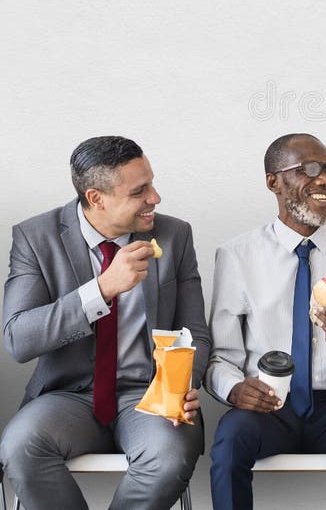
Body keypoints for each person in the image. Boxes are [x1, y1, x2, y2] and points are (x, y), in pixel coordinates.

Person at [0, 136, 209, 510]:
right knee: (20, 447)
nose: (155, 198)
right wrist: (101, 289)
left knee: (167, 457)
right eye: (139, 191)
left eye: (151, 183)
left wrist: (184, 383)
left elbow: (196, 332)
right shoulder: (36, 237)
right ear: (96, 198)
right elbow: (19, 338)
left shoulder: (175, 235)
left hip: (150, 394)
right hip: (66, 396)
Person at [205, 132, 326, 510]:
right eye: (309, 169)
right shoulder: (237, 255)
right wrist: (234, 389)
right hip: (267, 406)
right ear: (273, 182)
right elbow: (220, 359)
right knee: (231, 435)